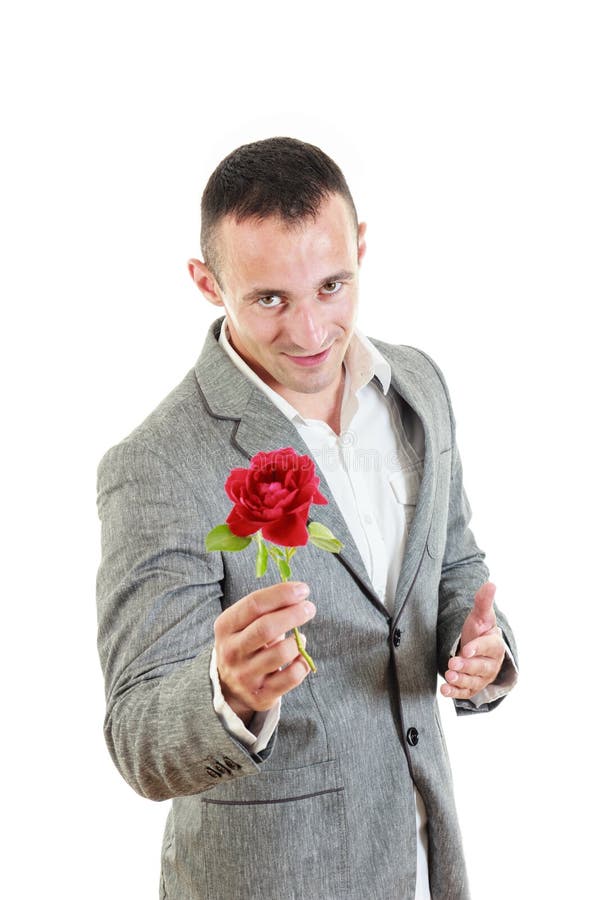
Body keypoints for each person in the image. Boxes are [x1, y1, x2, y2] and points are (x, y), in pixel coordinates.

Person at [96, 136, 518, 900]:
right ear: (206, 282)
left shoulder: (417, 384)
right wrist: (227, 692)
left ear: (361, 248)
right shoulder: (155, 463)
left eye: (332, 285)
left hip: (427, 866)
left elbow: (454, 563)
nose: (312, 331)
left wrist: (476, 642)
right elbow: (137, 735)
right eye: (270, 299)